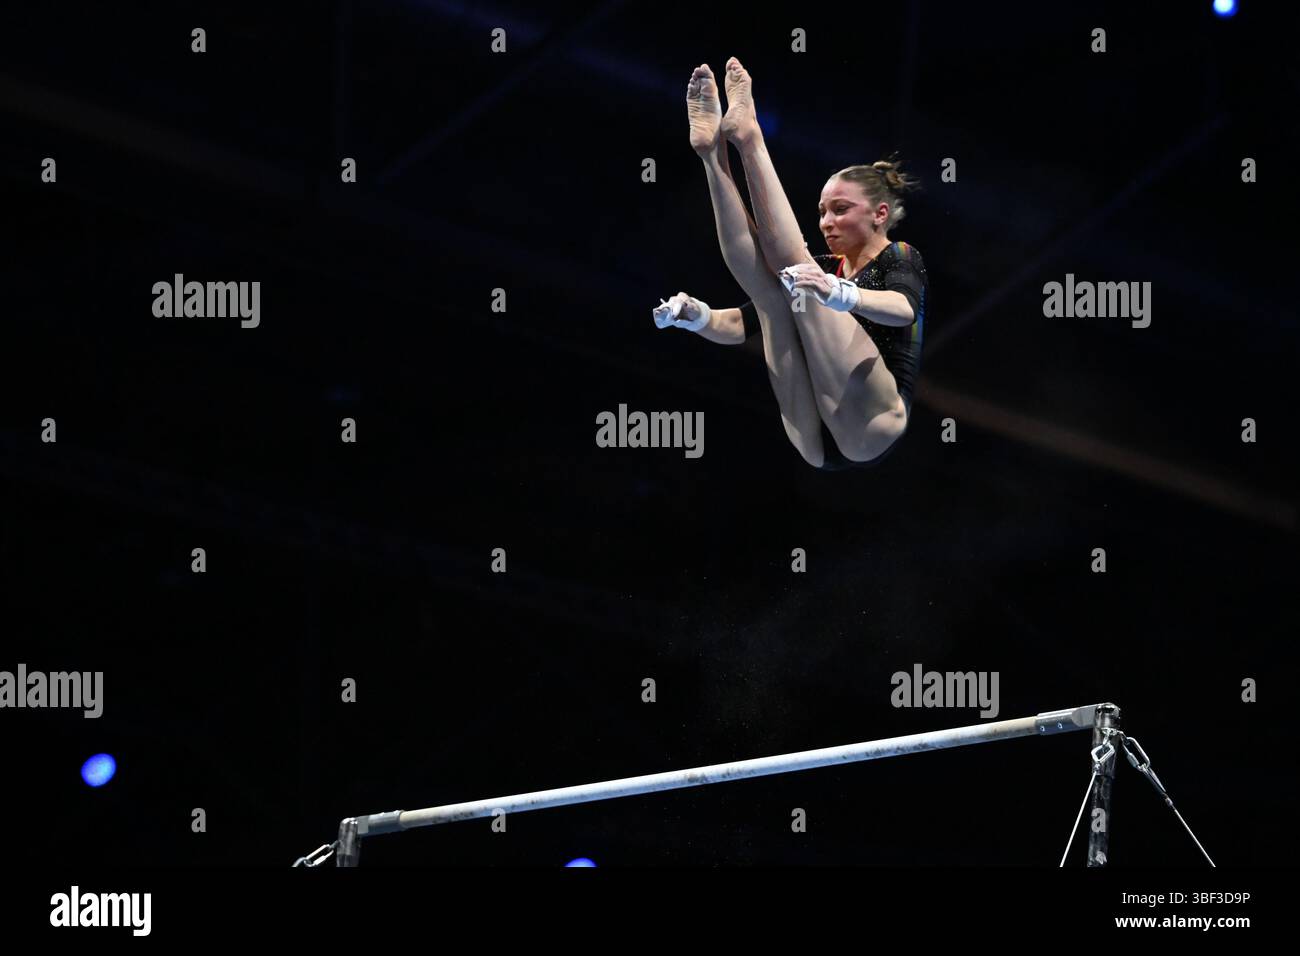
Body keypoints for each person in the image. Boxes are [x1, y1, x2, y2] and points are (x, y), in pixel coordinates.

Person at [654, 58, 928, 471]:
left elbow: (903, 309)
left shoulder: (900, 257)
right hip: (815, 443)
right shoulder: (821, 273)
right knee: (770, 297)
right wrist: (694, 316)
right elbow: (737, 328)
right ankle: (711, 155)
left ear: (880, 214)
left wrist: (838, 292)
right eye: (821, 211)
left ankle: (749, 139)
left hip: (871, 425)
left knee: (796, 275)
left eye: (840, 209)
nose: (826, 222)